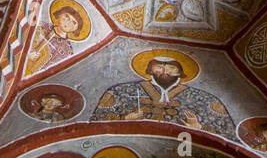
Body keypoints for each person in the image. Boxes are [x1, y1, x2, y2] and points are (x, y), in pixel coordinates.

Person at [92, 55, 237, 140]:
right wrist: (124, 119)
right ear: (149, 70)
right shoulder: (120, 91)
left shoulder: (204, 99)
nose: (165, 70)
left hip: (184, 149)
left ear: (180, 72)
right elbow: (95, 122)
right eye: (159, 66)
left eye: (171, 67)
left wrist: (199, 127)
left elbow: (229, 135)